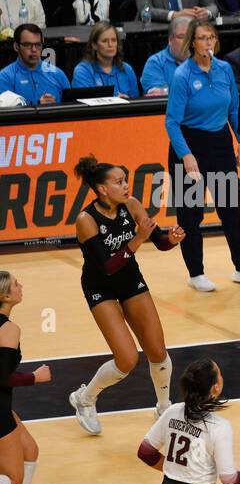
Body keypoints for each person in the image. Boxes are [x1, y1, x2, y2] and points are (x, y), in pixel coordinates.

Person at [67, 156, 183, 434]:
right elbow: (106, 267)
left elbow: (160, 241)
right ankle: (85, 398)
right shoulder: (86, 219)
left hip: (130, 278)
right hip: (100, 286)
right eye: (119, 182)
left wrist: (173, 239)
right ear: (103, 189)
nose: (126, 186)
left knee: (157, 349)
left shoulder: (131, 206)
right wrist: (138, 239)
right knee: (127, 359)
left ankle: (164, 408)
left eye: (126, 180)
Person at [165, 19, 240, 292]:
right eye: (201, 38)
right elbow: (171, 122)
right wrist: (185, 155)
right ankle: (195, 273)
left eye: (211, 37)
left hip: (219, 143)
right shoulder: (182, 75)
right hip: (189, 143)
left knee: (231, 210)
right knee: (190, 214)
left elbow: (233, 110)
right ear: (192, 43)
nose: (207, 43)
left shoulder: (225, 69)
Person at [0, 272, 49, 484]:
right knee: (13, 477)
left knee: (30, 449)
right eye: (17, 285)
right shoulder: (8, 329)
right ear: (6, 297)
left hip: (4, 405)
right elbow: (2, 376)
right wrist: (35, 377)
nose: (22, 287)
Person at [0, 25, 69, 106]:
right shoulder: (5, 77)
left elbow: (72, 108)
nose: (34, 50)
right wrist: (37, 105)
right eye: (27, 45)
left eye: (38, 44)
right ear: (16, 47)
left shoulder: (58, 74)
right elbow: (5, 114)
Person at [72, 21, 140, 96]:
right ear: (94, 45)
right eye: (104, 41)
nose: (110, 45)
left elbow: (136, 101)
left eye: (114, 40)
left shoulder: (127, 69)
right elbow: (84, 104)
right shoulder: (83, 71)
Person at [140, 13, 189, 92]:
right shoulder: (155, 63)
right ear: (170, 40)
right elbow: (158, 95)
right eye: (181, 37)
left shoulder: (205, 60)